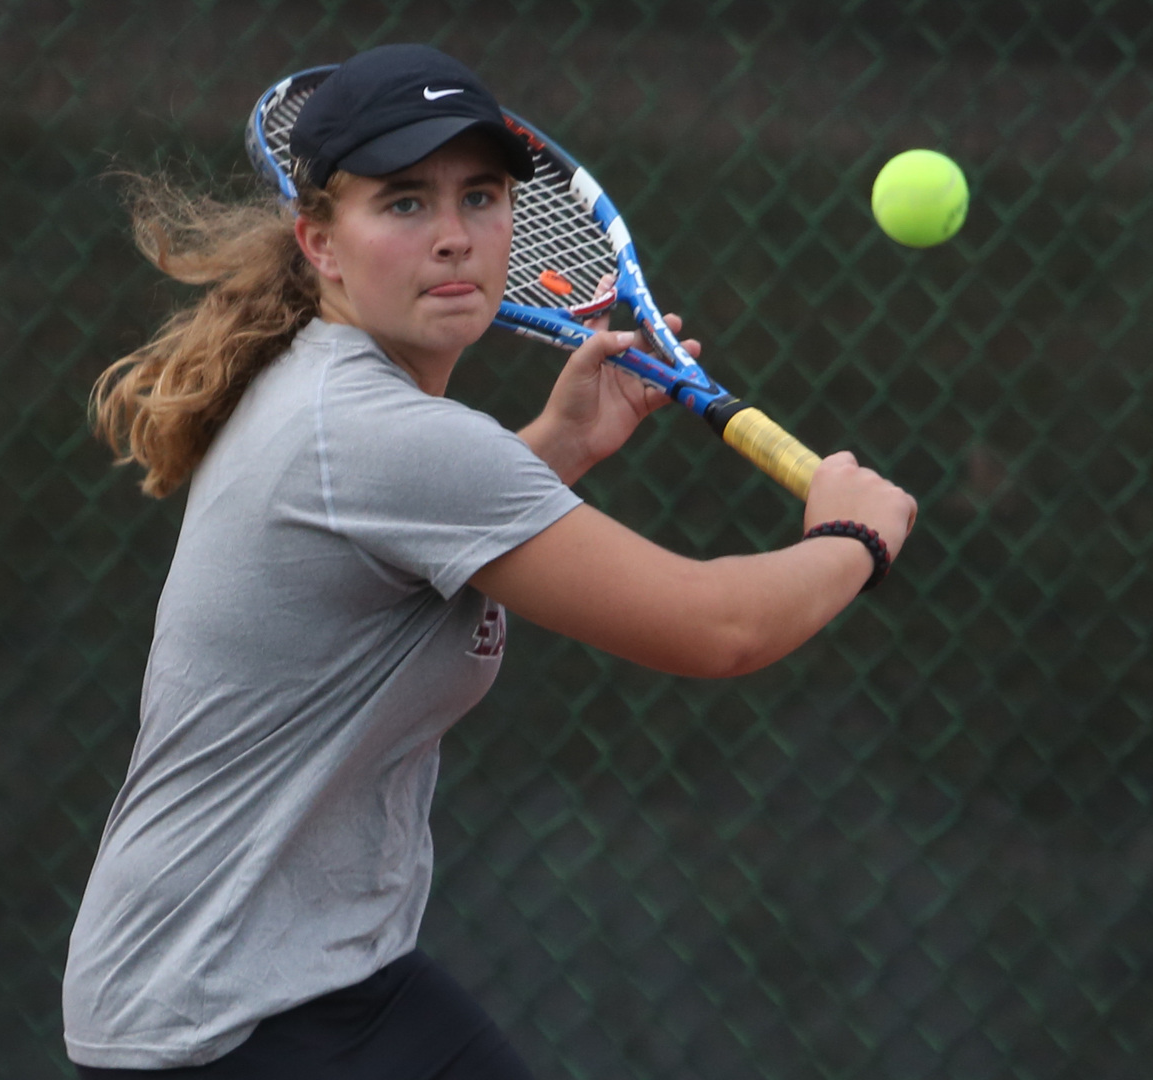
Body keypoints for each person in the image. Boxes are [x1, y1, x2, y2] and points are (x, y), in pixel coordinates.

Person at [63, 43, 917, 1080]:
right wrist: (851, 538)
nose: (454, 236)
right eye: (405, 203)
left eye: (480, 196)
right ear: (319, 241)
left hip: (313, 979)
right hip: (222, 1024)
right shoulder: (384, 435)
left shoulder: (327, 390)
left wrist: (558, 446)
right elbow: (717, 629)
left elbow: (392, 556)